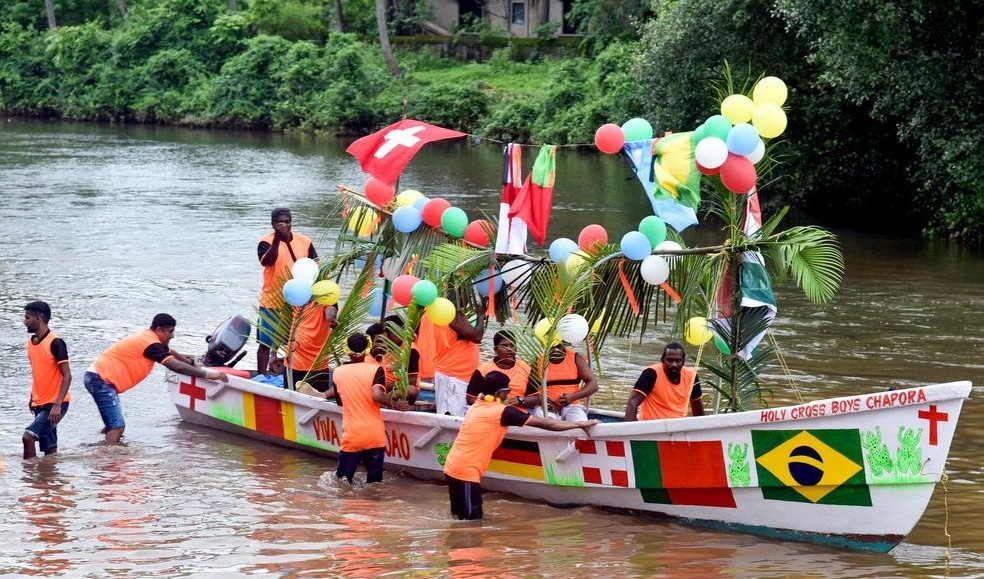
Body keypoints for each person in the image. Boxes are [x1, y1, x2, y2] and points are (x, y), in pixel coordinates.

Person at [444, 371, 597, 520]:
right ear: (499, 393)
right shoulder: (503, 412)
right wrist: (578, 424)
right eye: (507, 390)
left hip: (451, 466)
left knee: (458, 519)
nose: (509, 394)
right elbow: (546, 424)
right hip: (466, 472)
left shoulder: (478, 404)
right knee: (471, 525)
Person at [84, 313, 229, 443]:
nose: (172, 336)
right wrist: (209, 374)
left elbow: (170, 352)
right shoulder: (150, 344)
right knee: (118, 427)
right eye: (170, 332)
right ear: (159, 330)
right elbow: (175, 366)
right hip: (101, 380)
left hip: (98, 377)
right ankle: (111, 462)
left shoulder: (149, 338)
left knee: (112, 424)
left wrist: (193, 363)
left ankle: (101, 449)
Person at [333, 333, 410, 484]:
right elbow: (377, 395)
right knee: (374, 485)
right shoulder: (376, 370)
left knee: (342, 483)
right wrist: (395, 404)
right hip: (375, 437)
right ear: (368, 349)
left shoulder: (337, 372)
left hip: (352, 436)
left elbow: (340, 402)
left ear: (347, 350)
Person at [256, 207, 317, 375]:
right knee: (265, 342)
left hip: (298, 301)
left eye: (287, 222)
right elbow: (267, 261)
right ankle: (261, 376)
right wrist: (277, 238)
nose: (284, 225)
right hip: (273, 301)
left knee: (296, 341)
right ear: (273, 224)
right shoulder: (265, 242)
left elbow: (316, 265)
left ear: (291, 222)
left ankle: (292, 374)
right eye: (279, 222)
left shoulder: (304, 241)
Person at [23, 301, 72, 459]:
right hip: (39, 403)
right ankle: (49, 478)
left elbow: (67, 376)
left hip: (56, 404)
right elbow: (38, 372)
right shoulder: (31, 344)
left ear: (38, 318)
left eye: (27, 317)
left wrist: (57, 405)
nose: (24, 321)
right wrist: (32, 398)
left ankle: (28, 478)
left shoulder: (56, 343)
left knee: (28, 437)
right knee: (49, 450)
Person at [429, 293, 485, 416]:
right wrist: (481, 314)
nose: (469, 299)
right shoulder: (453, 315)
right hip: (454, 376)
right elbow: (477, 336)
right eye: (466, 294)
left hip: (455, 375)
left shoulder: (444, 313)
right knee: (452, 418)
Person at [625, 341, 704, 420]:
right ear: (662, 360)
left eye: (678, 361)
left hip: (678, 427)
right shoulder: (651, 373)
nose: (674, 364)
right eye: (669, 360)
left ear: (683, 361)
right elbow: (632, 403)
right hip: (651, 426)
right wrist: (632, 429)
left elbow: (697, 408)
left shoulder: (691, 376)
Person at [523, 342, 598, 422]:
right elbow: (529, 391)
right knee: (548, 422)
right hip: (546, 407)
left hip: (572, 406)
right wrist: (542, 400)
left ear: (563, 343)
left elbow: (593, 385)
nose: (555, 349)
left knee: (582, 423)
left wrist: (572, 397)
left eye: (558, 345)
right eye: (552, 346)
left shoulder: (575, 358)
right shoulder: (539, 360)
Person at [465, 330, 531, 410]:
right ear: (495, 350)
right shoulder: (483, 370)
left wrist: (519, 400)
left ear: (516, 349)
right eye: (504, 346)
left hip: (518, 415)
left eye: (512, 345)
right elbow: (470, 398)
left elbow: (536, 398)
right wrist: (494, 402)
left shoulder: (526, 368)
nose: (509, 349)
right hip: (490, 413)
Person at [286, 302, 338, 392]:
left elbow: (330, 312)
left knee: (293, 398)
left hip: (314, 362)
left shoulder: (325, 299)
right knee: (317, 400)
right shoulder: (299, 298)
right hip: (298, 360)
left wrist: (331, 318)